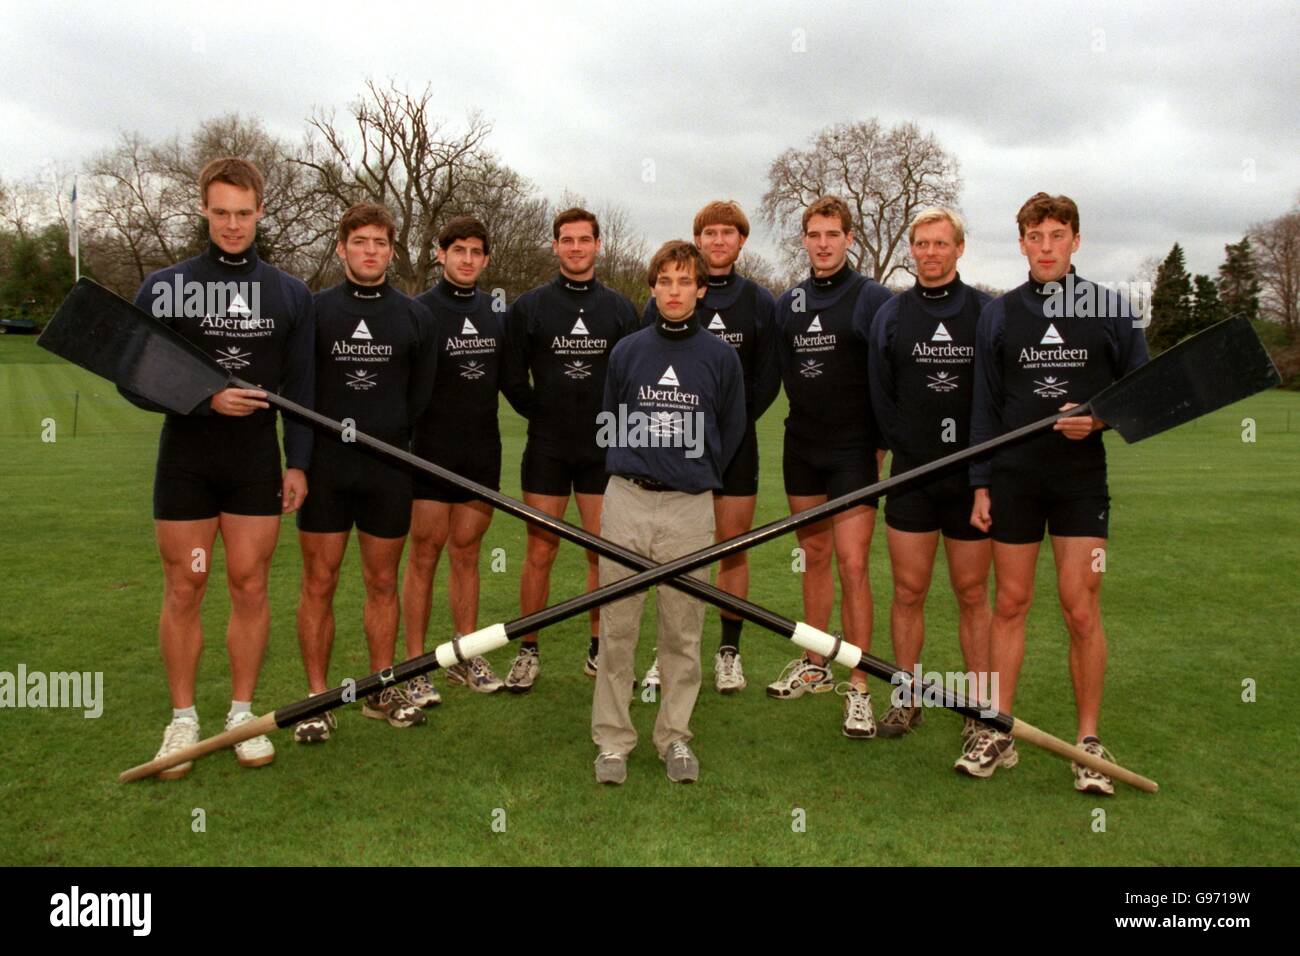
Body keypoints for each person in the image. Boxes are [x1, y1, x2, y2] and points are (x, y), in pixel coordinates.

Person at [126, 157, 314, 778]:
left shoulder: (290, 294)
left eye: (243, 213)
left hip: (255, 463)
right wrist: (204, 398)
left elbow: (304, 388)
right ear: (203, 211)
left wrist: (300, 463)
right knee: (185, 586)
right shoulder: (165, 286)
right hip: (186, 459)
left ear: (261, 212)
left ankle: (241, 713)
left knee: (250, 585)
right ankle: (182, 720)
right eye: (221, 212)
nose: (232, 225)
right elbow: (133, 378)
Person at [965, 192, 1148, 793]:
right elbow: (984, 405)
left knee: (1079, 606)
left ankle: (1088, 741)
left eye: (1057, 235)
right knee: (1009, 603)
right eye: (1035, 236)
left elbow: (1141, 396)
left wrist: (1096, 420)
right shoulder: (1000, 313)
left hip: (1079, 484)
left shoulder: (1110, 310)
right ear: (1021, 243)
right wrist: (981, 483)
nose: (1046, 247)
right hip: (1014, 478)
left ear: (1075, 240)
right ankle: (996, 727)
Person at [591, 240, 745, 784]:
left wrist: (688, 472)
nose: (674, 291)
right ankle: (612, 741)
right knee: (618, 627)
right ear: (652, 288)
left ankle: (674, 737)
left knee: (682, 631)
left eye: (685, 282)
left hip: (689, 508)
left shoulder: (720, 356)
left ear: (701, 290)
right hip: (627, 500)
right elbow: (609, 417)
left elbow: (729, 431)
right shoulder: (627, 351)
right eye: (665, 281)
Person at [292, 203, 437, 741]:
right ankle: (317, 697)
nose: (370, 250)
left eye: (380, 242)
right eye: (360, 242)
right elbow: (298, 390)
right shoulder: (313, 311)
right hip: (326, 471)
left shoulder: (414, 316)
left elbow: (417, 400)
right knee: (319, 582)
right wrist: (300, 464)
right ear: (341, 247)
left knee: (381, 582)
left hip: (387, 471)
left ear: (392, 250)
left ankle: (380, 688)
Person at [765, 196, 893, 740]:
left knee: (852, 565)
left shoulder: (872, 298)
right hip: (802, 445)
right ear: (804, 240)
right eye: (814, 234)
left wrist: (881, 442)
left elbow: (888, 375)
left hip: (853, 450)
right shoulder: (787, 302)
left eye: (832, 234)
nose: (823, 243)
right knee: (812, 555)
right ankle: (816, 660)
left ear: (849, 239)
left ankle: (859, 685)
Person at [640, 201, 779, 694]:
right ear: (698, 239)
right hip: (677, 448)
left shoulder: (761, 302)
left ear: (741, 241)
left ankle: (728, 652)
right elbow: (647, 371)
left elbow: (766, 380)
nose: (719, 241)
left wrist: (725, 432)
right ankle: (667, 653)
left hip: (735, 446)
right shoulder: (667, 293)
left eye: (728, 233)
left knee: (732, 550)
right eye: (710, 232)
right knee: (672, 553)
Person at [868, 207, 992, 754]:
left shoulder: (988, 313)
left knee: (971, 593)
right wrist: (909, 449)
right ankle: (907, 694)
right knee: (908, 590)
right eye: (922, 244)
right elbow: (882, 395)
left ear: (959, 248)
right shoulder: (892, 316)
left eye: (942, 244)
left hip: (973, 479)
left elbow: (999, 394)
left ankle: (978, 709)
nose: (931, 253)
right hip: (912, 477)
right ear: (912, 250)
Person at [500, 207, 639, 692]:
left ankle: (599, 648)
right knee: (540, 549)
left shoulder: (621, 308)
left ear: (598, 244)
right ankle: (527, 648)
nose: (576, 248)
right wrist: (543, 414)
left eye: (584, 240)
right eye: (567, 240)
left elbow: (633, 378)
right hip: (548, 447)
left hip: (603, 448)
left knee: (600, 553)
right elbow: (512, 376)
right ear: (555, 246)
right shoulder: (530, 307)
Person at [401, 216, 507, 702]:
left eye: (475, 252)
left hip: (481, 451)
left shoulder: (497, 310)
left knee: (467, 553)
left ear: (486, 258)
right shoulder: (418, 310)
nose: (466, 259)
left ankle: (466, 655)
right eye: (457, 250)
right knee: (424, 554)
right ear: (440, 254)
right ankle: (416, 663)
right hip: (429, 452)